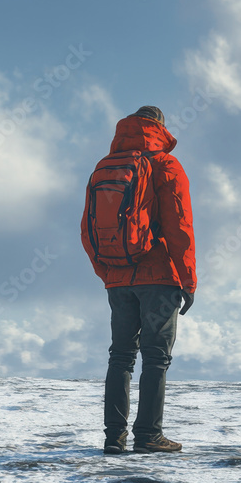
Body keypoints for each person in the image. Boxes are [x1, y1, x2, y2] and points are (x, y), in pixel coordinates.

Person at [80, 106, 196, 455]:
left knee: (120, 357)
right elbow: (180, 228)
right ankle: (148, 435)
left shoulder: (104, 166)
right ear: (160, 127)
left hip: (117, 277)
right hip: (159, 275)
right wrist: (188, 281)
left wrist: (108, 273)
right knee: (156, 358)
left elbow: (87, 230)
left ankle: (114, 438)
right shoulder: (165, 164)